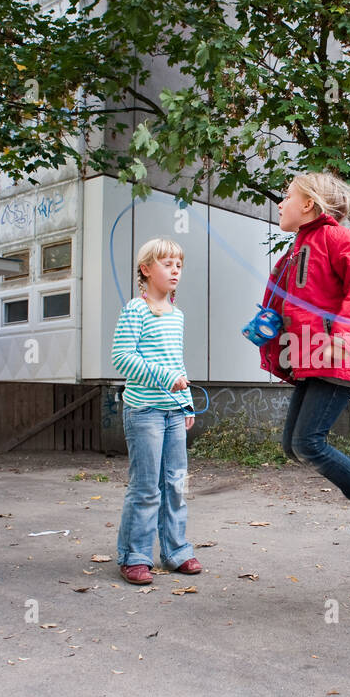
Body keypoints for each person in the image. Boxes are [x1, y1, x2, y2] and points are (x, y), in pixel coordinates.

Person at [257, 171, 350, 559]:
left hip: (336, 355)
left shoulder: (335, 236)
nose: (280, 204)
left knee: (308, 442)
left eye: (287, 197)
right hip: (310, 358)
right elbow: (289, 301)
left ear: (309, 205)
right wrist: (268, 325)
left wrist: (342, 336)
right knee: (293, 446)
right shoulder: (297, 248)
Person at [111, 237, 202, 586]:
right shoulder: (136, 309)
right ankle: (134, 556)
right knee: (146, 487)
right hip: (144, 410)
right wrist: (167, 378)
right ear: (146, 269)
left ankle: (176, 551)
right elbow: (122, 358)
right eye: (167, 263)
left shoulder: (176, 314)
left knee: (176, 484)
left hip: (173, 411)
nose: (176, 269)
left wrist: (187, 401)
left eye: (179, 264)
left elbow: (175, 362)